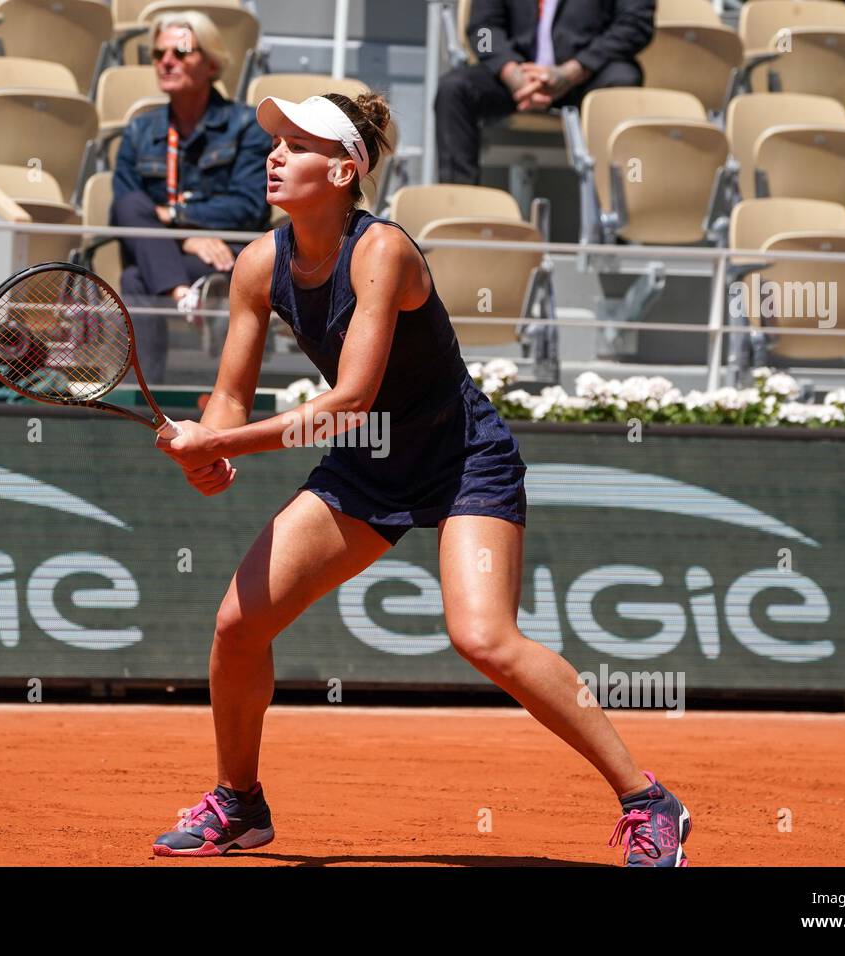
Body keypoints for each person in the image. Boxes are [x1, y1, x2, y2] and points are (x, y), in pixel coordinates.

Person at [148, 90, 693, 865]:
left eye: (297, 145)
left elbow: (348, 402)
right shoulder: (259, 266)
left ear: (343, 171)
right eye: (275, 141)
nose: (274, 154)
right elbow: (229, 395)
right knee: (239, 627)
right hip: (368, 469)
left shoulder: (384, 252)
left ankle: (648, 799)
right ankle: (239, 802)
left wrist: (225, 438)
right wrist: (212, 442)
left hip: (460, 456)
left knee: (484, 638)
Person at [110, 10, 272, 382]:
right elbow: (125, 212)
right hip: (180, 261)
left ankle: (148, 398)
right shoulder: (139, 130)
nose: (166, 61)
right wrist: (188, 239)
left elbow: (247, 207)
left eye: (180, 52)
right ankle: (184, 295)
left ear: (212, 63)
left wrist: (174, 219)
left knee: (137, 278)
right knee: (130, 206)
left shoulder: (246, 125)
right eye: (158, 54)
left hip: (225, 262)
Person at [435, 0, 656, 184]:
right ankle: (458, 210)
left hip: (587, 74)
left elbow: (635, 26)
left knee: (622, 81)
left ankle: (619, 215)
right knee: (454, 89)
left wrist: (574, 70)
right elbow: (482, 30)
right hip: (516, 76)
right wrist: (509, 70)